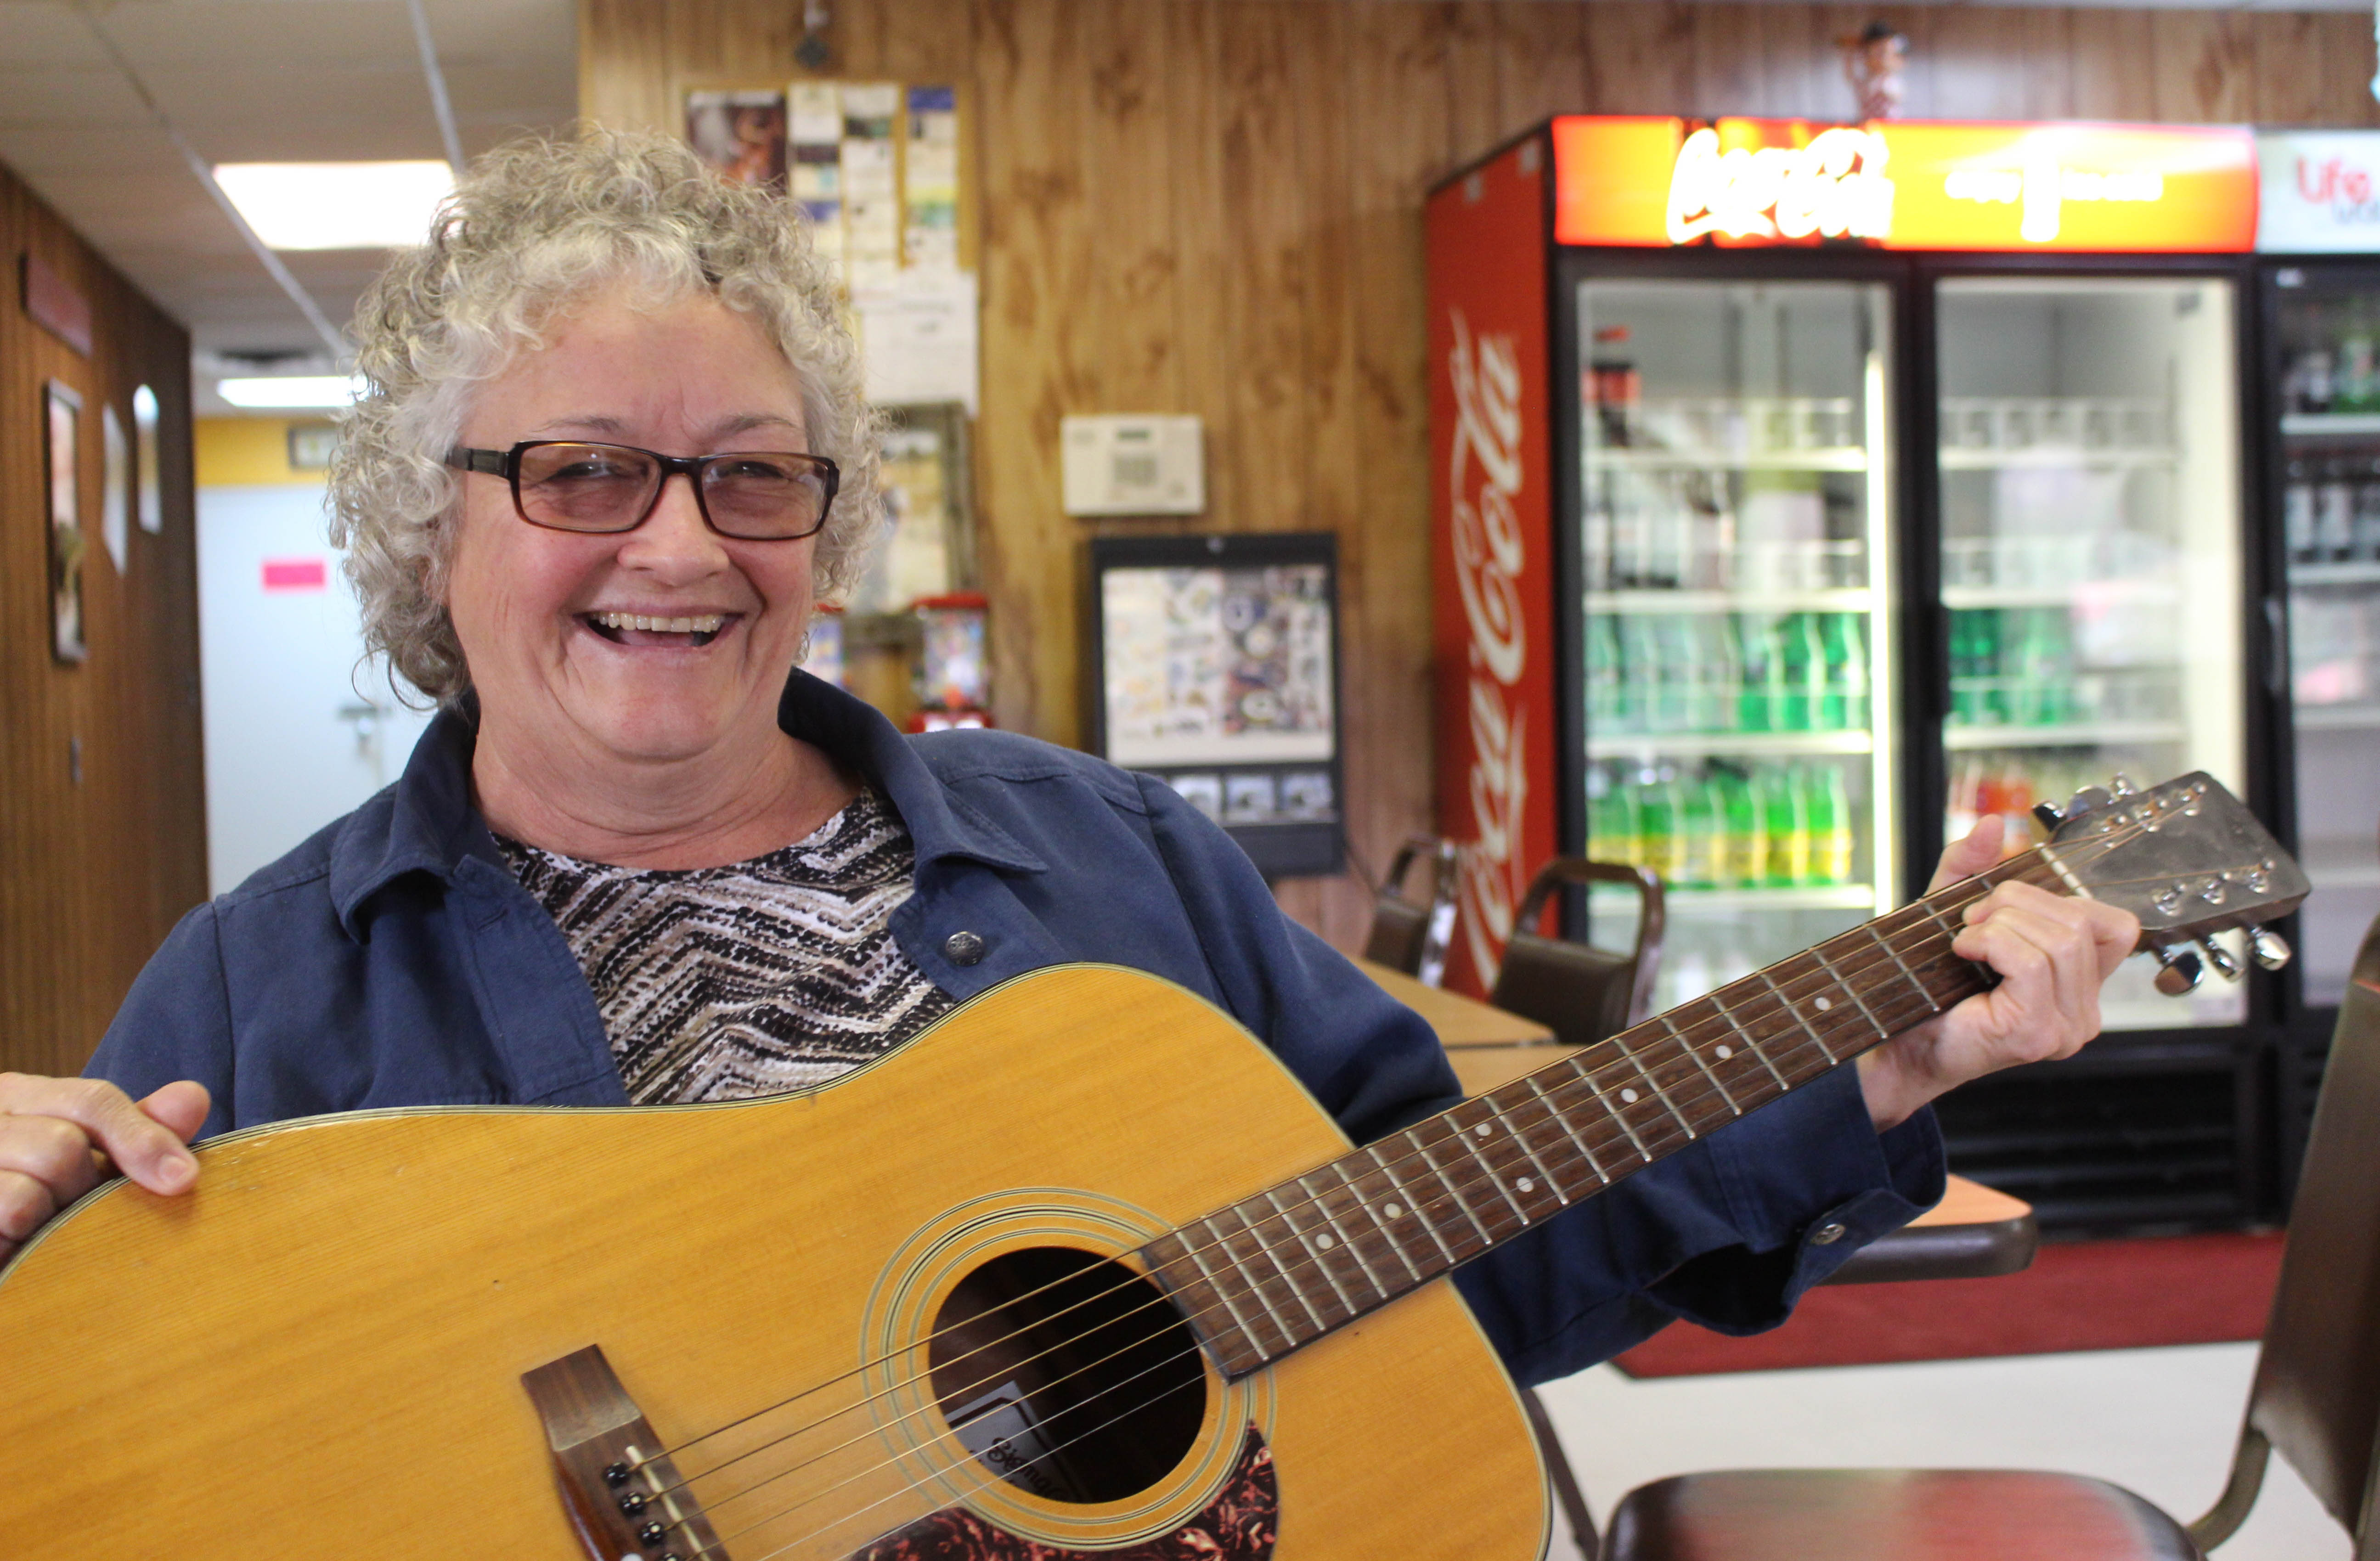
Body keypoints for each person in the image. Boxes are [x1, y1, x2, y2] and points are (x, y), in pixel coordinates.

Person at [0, 131, 2138, 1390]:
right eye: (582, 471)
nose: (680, 547)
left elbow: (1461, 1261)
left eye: (753, 474)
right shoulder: (261, 999)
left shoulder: (1103, 857)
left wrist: (1875, 1067)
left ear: (824, 528)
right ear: (428, 530)